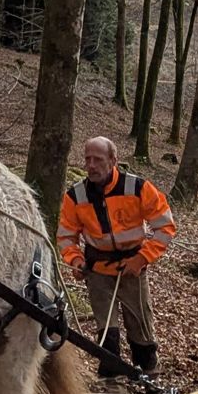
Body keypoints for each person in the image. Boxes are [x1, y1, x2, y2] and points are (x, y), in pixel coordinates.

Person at [56, 136, 177, 377]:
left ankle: (149, 372)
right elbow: (66, 237)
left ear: (113, 160)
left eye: (98, 160)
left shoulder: (138, 188)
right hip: (98, 271)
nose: (91, 165)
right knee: (106, 329)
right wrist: (76, 261)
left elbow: (165, 227)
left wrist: (141, 259)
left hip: (131, 269)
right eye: (88, 159)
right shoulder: (76, 196)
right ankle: (111, 378)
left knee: (140, 325)